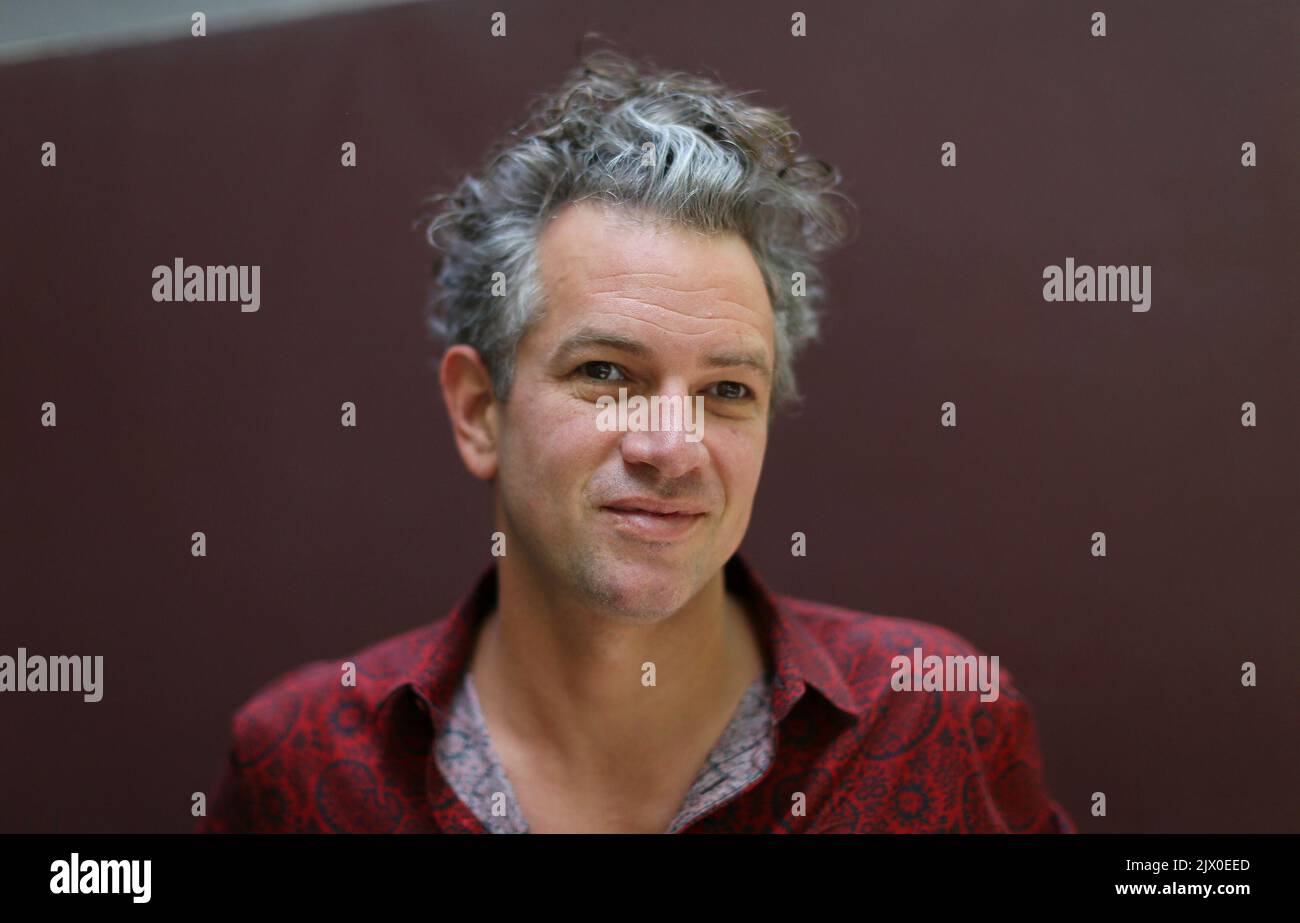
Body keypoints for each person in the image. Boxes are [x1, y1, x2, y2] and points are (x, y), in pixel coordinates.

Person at [196, 46, 1073, 834]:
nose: (671, 446)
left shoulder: (935, 715)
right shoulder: (304, 765)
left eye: (728, 390)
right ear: (478, 409)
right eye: (607, 373)